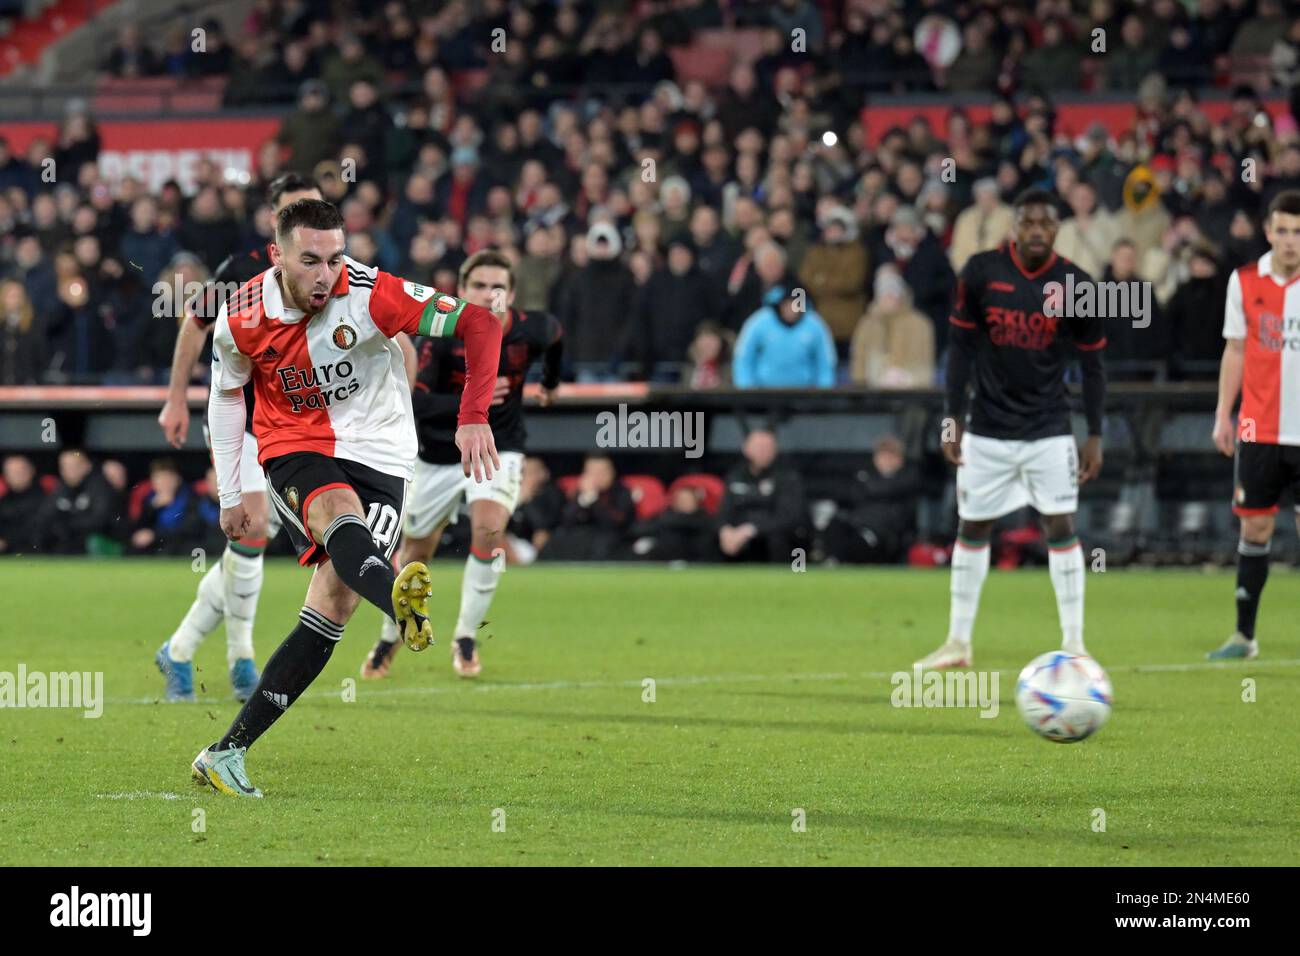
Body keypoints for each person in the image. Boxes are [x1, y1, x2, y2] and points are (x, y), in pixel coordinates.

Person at [191, 198, 503, 797]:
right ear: (277, 255)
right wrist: (232, 491)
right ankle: (398, 600)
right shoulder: (241, 315)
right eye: (310, 261)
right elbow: (227, 397)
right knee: (337, 512)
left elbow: (480, 324)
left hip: (384, 454)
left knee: (332, 605)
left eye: (336, 259)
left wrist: (473, 416)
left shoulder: (372, 292)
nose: (327, 275)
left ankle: (225, 753)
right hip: (293, 445)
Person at [916, 188, 1106, 670]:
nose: (1037, 231)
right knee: (973, 526)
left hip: (1048, 430)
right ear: (1013, 226)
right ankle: (958, 643)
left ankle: (1076, 642)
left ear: (1057, 230)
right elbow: (958, 350)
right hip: (988, 430)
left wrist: (1095, 434)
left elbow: (1093, 365)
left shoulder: (1076, 284)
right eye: (1028, 223)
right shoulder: (980, 272)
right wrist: (952, 416)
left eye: (1046, 224)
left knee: (1061, 525)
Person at [154, 174, 327, 704]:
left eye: (315, 211)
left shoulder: (333, 272)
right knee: (249, 532)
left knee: (248, 544)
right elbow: (195, 321)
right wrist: (177, 396)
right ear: (274, 219)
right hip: (243, 417)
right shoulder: (245, 269)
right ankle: (243, 661)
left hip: (301, 424)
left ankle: (179, 649)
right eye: (295, 210)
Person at [360, 249, 563, 680]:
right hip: (436, 454)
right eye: (478, 286)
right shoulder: (438, 337)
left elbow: (556, 338)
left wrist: (549, 382)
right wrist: (472, 402)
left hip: (498, 446)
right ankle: (391, 633)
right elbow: (417, 402)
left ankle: (466, 637)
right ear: (460, 291)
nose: (488, 295)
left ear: (512, 294)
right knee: (416, 552)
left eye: (498, 287)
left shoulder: (534, 329)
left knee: (489, 531)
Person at [1207, 190, 1300, 660]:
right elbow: (1236, 350)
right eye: (1282, 230)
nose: (1290, 241)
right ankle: (1244, 636)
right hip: (1257, 429)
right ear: (1268, 232)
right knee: (1256, 532)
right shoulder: (1243, 282)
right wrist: (1223, 413)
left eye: (1298, 232)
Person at [822, 435, 918, 563]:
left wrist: (868, 485)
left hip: (884, 533)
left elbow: (889, 491)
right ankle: (832, 562)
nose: (886, 460)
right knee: (835, 525)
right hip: (857, 523)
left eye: (891, 455)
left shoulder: (908, 478)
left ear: (900, 459)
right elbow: (851, 495)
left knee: (858, 542)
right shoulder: (864, 476)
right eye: (882, 455)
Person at [717, 429, 806, 562]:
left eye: (768, 447)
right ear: (746, 449)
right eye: (758, 447)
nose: (763, 451)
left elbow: (788, 517)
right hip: (738, 535)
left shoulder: (787, 478)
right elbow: (724, 511)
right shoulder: (735, 476)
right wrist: (725, 530)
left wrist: (750, 530)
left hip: (770, 534)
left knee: (777, 539)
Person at [37, 449, 117, 555]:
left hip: (101, 540)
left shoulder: (100, 487)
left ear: (87, 466)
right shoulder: (60, 489)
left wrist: (69, 525)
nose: (70, 470)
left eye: (74, 466)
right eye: (65, 467)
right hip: (67, 542)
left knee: (93, 541)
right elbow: (44, 516)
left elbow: (101, 520)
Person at [0, 454, 47, 554]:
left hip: (34, 554)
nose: (17, 474)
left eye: (21, 470)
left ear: (32, 471)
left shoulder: (45, 500)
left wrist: (6, 542)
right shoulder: (4, 501)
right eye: (12, 471)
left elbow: (37, 532)